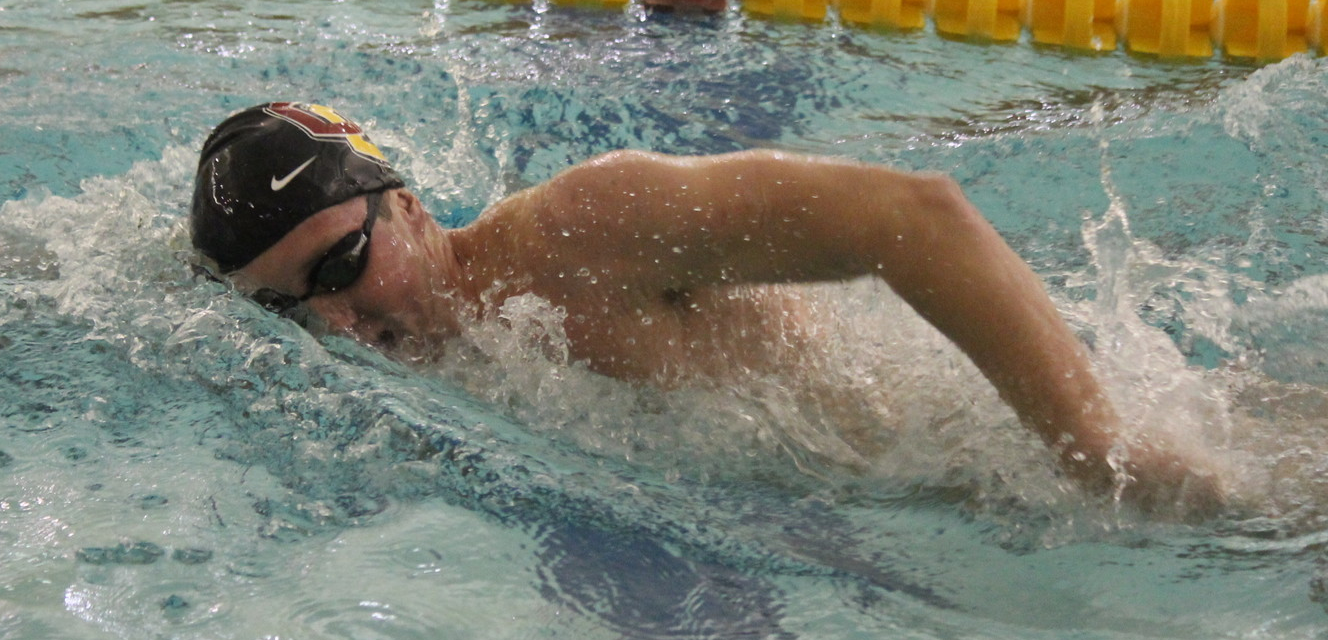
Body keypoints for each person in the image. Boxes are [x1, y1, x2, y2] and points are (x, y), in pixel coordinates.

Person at [191, 102, 1228, 518]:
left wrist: (1091, 441)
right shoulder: (448, 349)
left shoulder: (579, 231)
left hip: (1001, 444)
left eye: (338, 270)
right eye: (288, 310)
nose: (335, 329)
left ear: (409, 209)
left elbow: (916, 215)